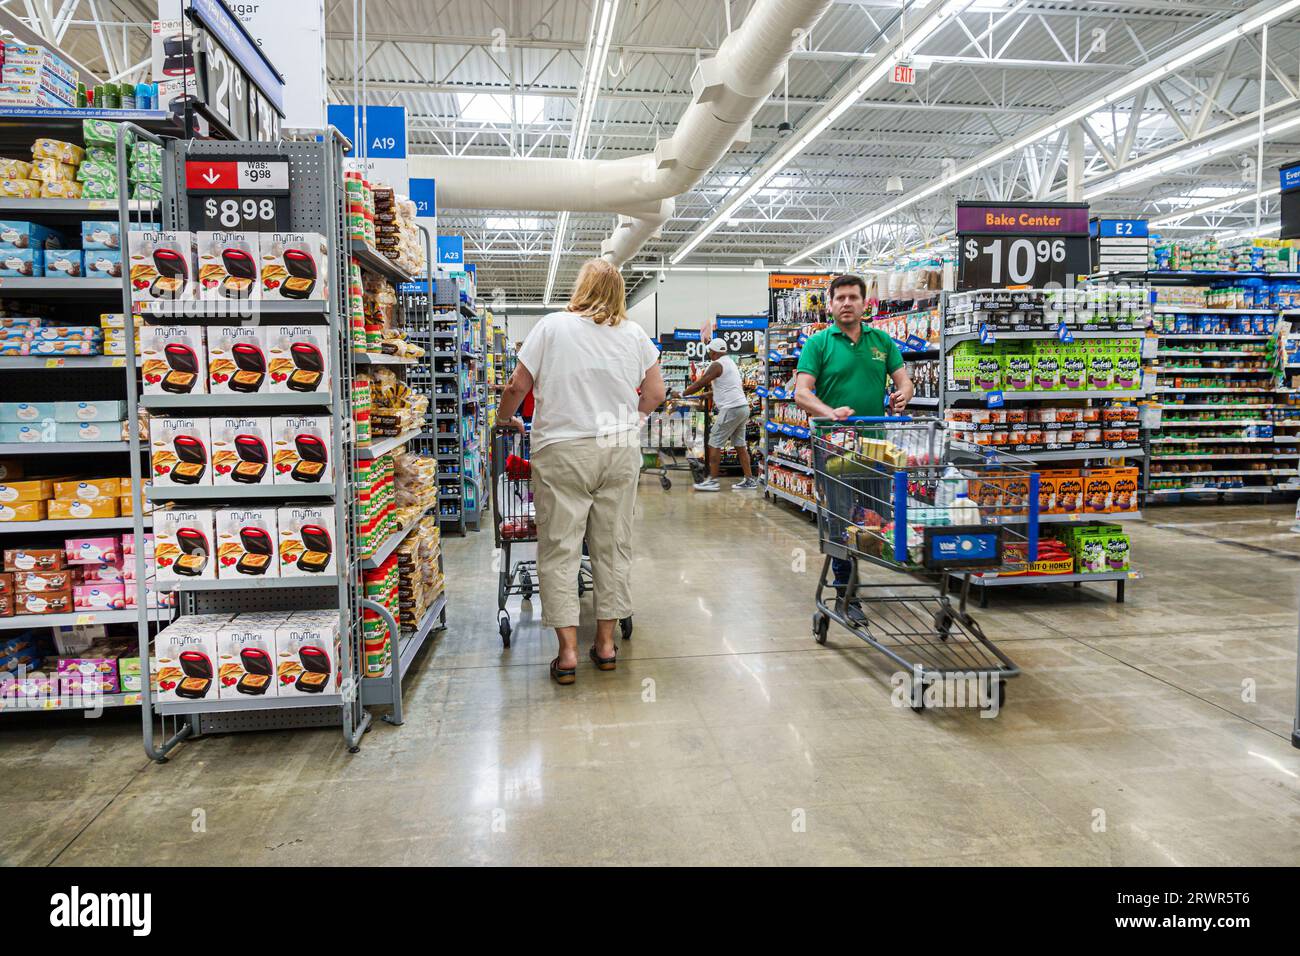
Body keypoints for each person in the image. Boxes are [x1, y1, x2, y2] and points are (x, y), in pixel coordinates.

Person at [497, 258, 666, 686]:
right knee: (612, 546)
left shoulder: (551, 327)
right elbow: (656, 393)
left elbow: (517, 385)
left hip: (562, 447)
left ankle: (568, 653)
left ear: (581, 288)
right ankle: (606, 646)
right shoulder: (634, 334)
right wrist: (634, 419)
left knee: (560, 548)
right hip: (618, 445)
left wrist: (504, 419)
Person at [793, 274, 914, 617]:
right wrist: (830, 412)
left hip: (877, 449)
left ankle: (854, 578)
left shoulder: (882, 341)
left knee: (878, 518)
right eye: (840, 298)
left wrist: (904, 394)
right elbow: (801, 393)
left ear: (865, 303)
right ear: (830, 304)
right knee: (840, 520)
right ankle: (847, 593)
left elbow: (904, 380)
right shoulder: (818, 343)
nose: (846, 303)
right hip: (836, 449)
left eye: (853, 297)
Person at [680, 337, 757, 491]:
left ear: (714, 352)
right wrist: (706, 395)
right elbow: (726, 387)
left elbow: (700, 382)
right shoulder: (730, 363)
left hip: (731, 409)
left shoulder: (717, 364)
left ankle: (712, 481)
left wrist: (683, 394)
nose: (709, 353)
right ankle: (749, 480)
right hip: (742, 407)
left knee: (714, 442)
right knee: (740, 445)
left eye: (710, 351)